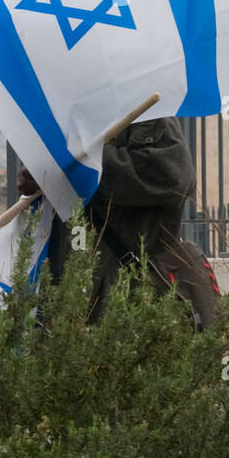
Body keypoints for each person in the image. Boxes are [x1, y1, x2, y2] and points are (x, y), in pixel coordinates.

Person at [17, 117, 197, 323]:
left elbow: (173, 178)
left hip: (132, 297)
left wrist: (82, 162)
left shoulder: (149, 110)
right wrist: (37, 176)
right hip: (67, 297)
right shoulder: (67, 115)